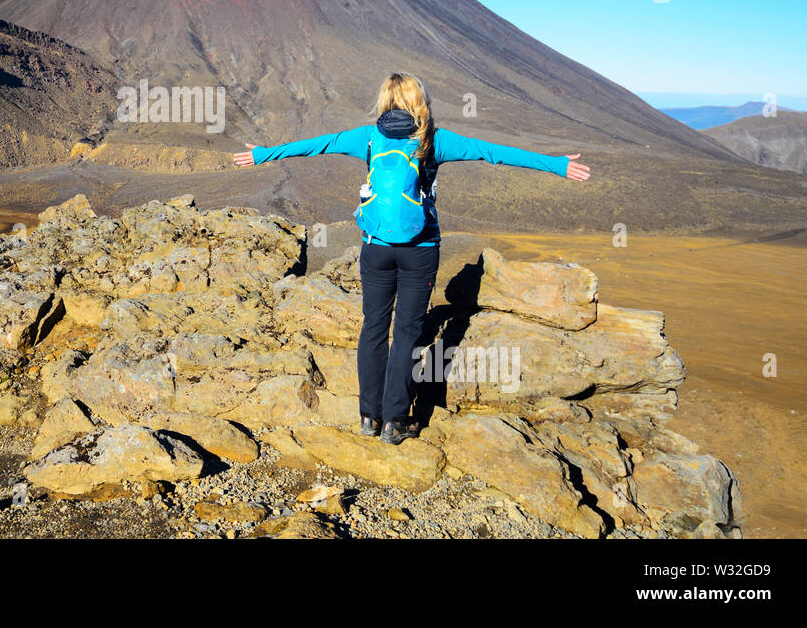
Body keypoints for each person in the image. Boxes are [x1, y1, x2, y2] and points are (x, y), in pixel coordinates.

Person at [232, 72, 590, 444]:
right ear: (420, 101)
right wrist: (557, 165)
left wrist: (262, 154)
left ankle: (369, 417)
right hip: (419, 250)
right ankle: (395, 420)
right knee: (406, 331)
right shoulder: (434, 140)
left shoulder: (366, 137)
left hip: (376, 248)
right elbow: (493, 153)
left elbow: (316, 145)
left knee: (373, 326)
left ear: (384, 100)